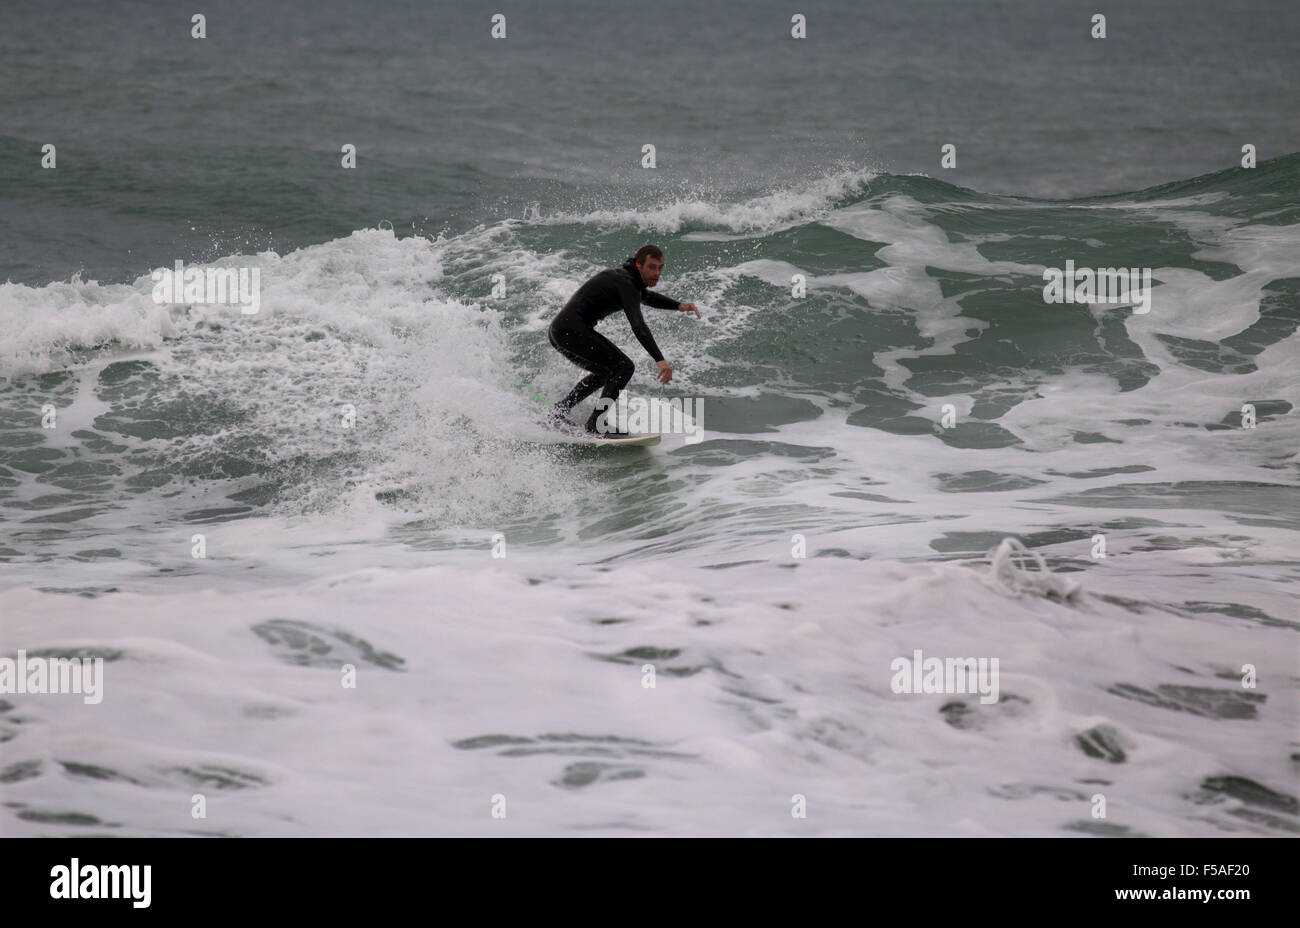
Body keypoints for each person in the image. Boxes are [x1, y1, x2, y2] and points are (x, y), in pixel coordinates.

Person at [546, 245, 700, 436]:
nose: (657, 273)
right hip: (570, 330)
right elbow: (638, 326)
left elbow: (647, 297)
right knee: (624, 367)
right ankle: (595, 424)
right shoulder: (625, 283)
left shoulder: (628, 280)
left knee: (605, 371)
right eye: (651, 267)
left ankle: (560, 411)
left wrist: (678, 306)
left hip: (560, 331)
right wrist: (660, 360)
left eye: (660, 267)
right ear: (639, 264)